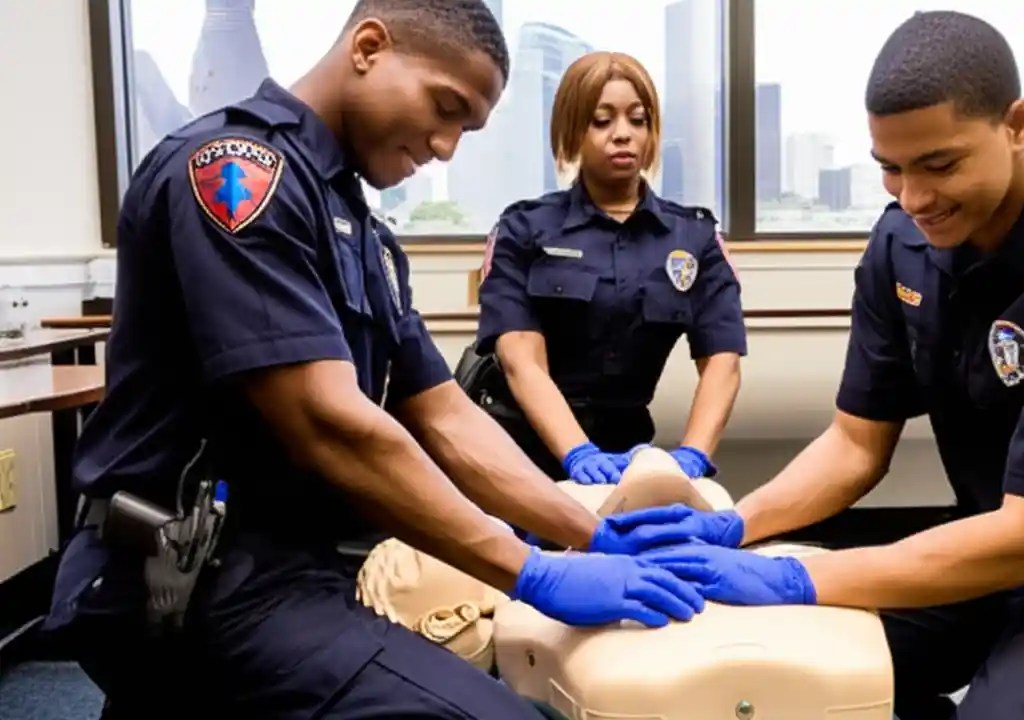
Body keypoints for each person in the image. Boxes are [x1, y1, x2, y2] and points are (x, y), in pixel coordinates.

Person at [43, 2, 706, 718]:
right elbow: (330, 424)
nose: (448, 146)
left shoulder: (364, 237)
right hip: (190, 580)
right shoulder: (241, 176)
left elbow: (446, 414)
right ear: (368, 46)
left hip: (288, 570)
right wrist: (530, 570)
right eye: (445, 107)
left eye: (468, 128)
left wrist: (591, 529)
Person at [628, 11, 1024, 720]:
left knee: (1018, 711)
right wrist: (735, 528)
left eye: (939, 164)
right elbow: (854, 444)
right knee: (761, 656)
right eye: (890, 170)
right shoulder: (903, 242)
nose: (914, 197)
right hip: (998, 532)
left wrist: (795, 575)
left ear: (1018, 124)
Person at [471, 51, 746, 486]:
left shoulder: (693, 237)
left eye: (638, 120)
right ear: (571, 130)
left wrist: (693, 456)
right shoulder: (524, 228)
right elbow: (520, 359)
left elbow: (722, 361)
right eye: (602, 121)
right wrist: (575, 452)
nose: (623, 135)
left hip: (628, 454)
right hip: (519, 451)